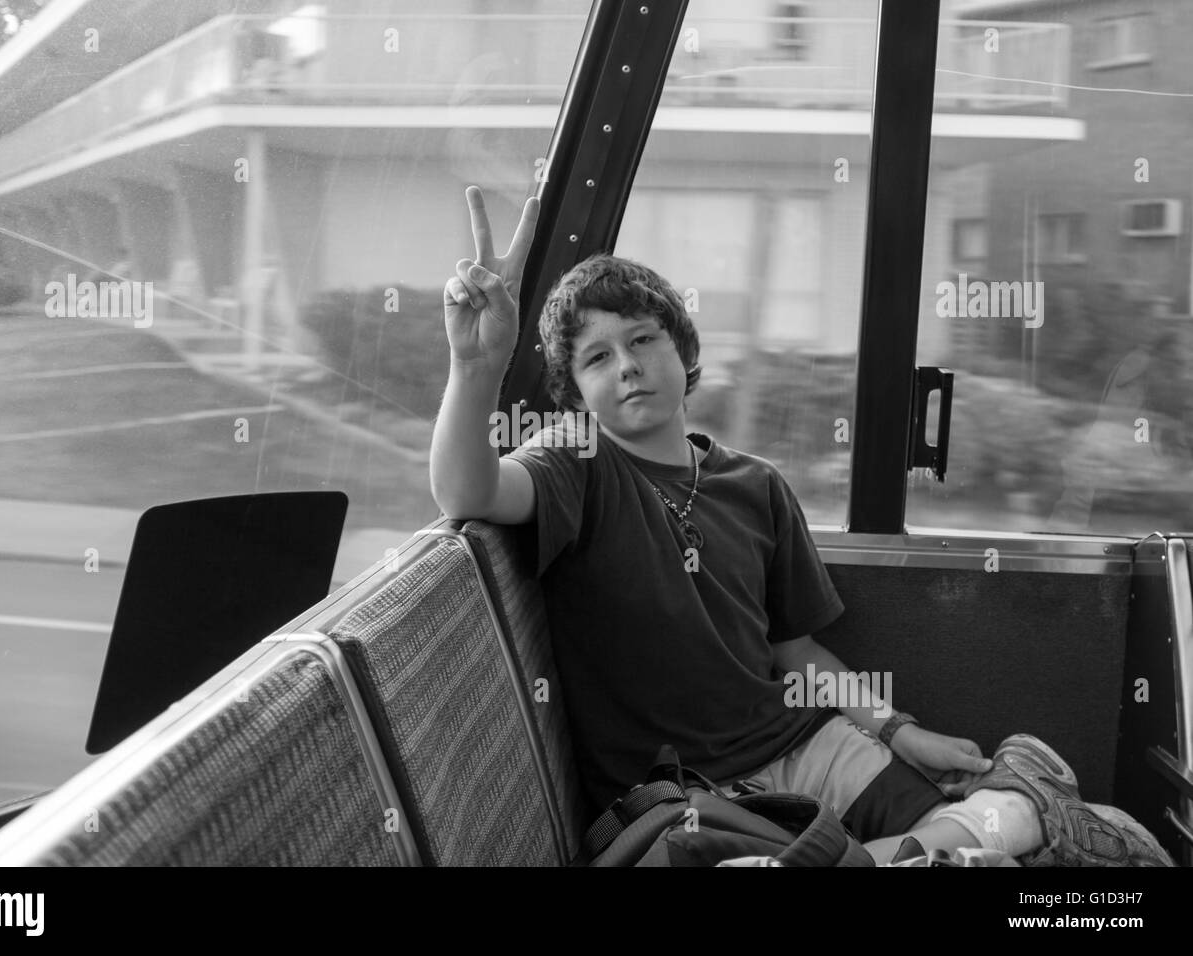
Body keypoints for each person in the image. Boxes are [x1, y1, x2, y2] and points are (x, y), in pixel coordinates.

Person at [430, 186, 1171, 867]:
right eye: (598, 358)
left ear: (682, 350)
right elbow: (467, 489)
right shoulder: (576, 462)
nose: (627, 366)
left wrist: (895, 728)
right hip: (678, 792)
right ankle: (1015, 817)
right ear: (575, 392)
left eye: (643, 339)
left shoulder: (755, 485)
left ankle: (986, 819)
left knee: (953, 812)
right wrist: (477, 365)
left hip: (803, 741)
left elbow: (795, 650)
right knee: (969, 834)